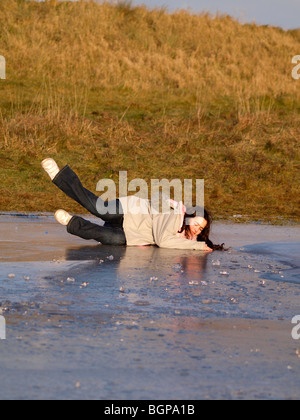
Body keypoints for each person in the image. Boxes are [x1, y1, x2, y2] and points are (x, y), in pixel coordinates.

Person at [41, 158, 225, 252]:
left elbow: (181, 244)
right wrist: (198, 247)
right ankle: (60, 176)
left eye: (201, 229)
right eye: (197, 224)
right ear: (189, 216)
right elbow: (162, 240)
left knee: (106, 237)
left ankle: (72, 223)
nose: (197, 230)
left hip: (132, 234)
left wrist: (200, 245)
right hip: (129, 212)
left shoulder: (185, 240)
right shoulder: (174, 214)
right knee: (98, 209)